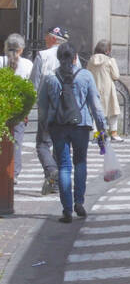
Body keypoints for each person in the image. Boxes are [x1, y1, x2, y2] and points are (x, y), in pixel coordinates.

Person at [38, 42, 107, 222]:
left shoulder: (49, 77)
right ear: (75, 57)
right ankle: (79, 202)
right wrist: (102, 128)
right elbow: (96, 105)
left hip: (58, 127)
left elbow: (43, 107)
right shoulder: (85, 76)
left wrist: (45, 126)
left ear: (59, 58)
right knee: (80, 163)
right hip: (81, 125)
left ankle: (67, 210)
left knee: (64, 166)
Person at [30, 26, 74, 195]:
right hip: (66, 107)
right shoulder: (72, 57)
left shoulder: (43, 55)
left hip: (46, 107)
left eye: (47, 37)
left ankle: (51, 171)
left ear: (53, 39)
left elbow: (32, 84)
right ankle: (54, 184)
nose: (45, 40)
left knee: (42, 143)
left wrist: (28, 108)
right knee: (59, 144)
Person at [3, 33, 34, 178]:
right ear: (21, 49)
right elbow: (30, 89)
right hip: (19, 108)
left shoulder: (1, 62)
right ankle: (13, 173)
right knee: (16, 142)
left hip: (2, 107)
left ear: (6, 47)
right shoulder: (28, 65)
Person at [87, 40, 124, 141]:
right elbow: (116, 76)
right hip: (108, 89)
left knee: (96, 111)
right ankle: (114, 133)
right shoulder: (110, 60)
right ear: (107, 50)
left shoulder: (91, 60)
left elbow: (87, 73)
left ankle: (96, 134)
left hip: (94, 87)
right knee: (113, 111)